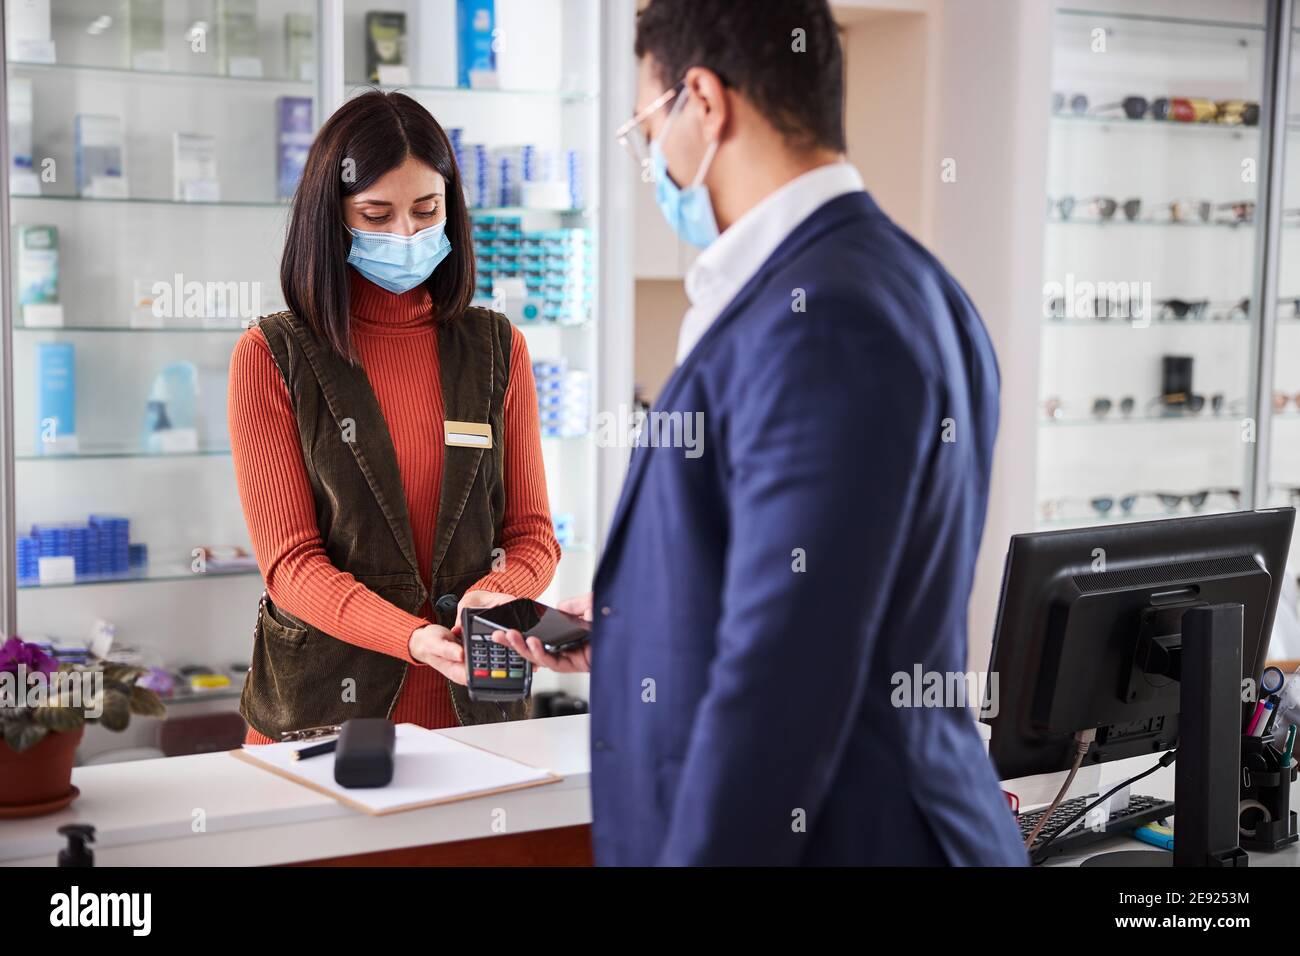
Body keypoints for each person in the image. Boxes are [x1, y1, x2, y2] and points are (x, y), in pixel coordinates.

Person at [492, 0, 1027, 864]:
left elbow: (782, 684)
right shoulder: (897, 280)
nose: (653, 161)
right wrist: (637, 622)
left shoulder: (820, 318)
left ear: (703, 102)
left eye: (647, 126)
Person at [229, 91, 559, 744]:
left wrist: (495, 594)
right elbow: (292, 566)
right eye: (376, 214)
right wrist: (410, 637)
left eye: (426, 210)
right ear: (333, 218)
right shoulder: (273, 355)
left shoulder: (496, 349)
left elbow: (533, 535)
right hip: (323, 721)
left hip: (479, 715)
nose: (406, 234)